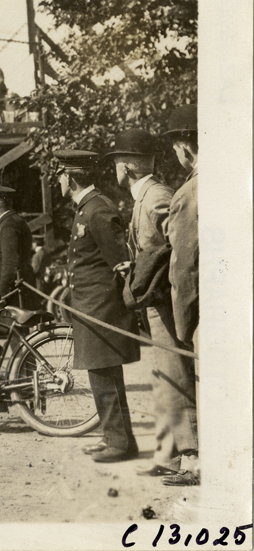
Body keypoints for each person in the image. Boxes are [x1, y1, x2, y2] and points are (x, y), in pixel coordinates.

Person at [104, 128, 194, 482]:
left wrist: (150, 271)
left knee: (175, 376)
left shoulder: (157, 196)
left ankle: (194, 458)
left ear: (125, 166)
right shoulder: (145, 196)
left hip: (167, 301)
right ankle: (170, 455)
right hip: (155, 301)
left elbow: (179, 246)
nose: (114, 169)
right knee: (163, 378)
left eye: (116, 162)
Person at [54, 149, 141, 463]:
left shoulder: (97, 210)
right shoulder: (87, 208)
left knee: (105, 376)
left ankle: (118, 443)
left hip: (102, 308)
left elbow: (122, 263)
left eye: (62, 174)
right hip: (90, 306)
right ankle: (115, 438)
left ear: (72, 177)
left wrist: (124, 308)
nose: (59, 180)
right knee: (100, 376)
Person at [160, 105, 200, 487]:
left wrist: (184, 328)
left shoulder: (189, 193)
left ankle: (200, 465)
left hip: (207, 313)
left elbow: (184, 269)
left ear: (185, 147)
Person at [0, 186, 37, 308]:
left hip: (8, 298)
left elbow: (10, 262)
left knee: (5, 327)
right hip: (12, 292)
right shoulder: (15, 221)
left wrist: (3, 293)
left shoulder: (8, 225)